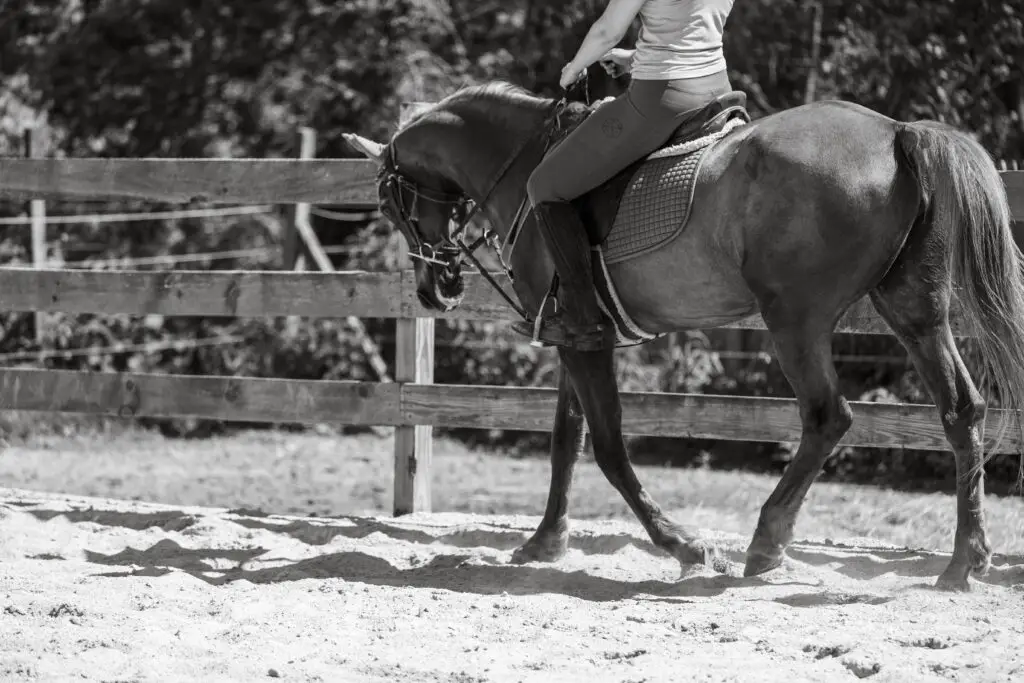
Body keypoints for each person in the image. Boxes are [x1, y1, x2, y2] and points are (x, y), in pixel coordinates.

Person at [510, 0, 736, 351]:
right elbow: (697, 25)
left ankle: (582, 319)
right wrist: (635, 58)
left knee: (545, 186)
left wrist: (572, 69)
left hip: (662, 99)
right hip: (717, 90)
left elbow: (606, 31)